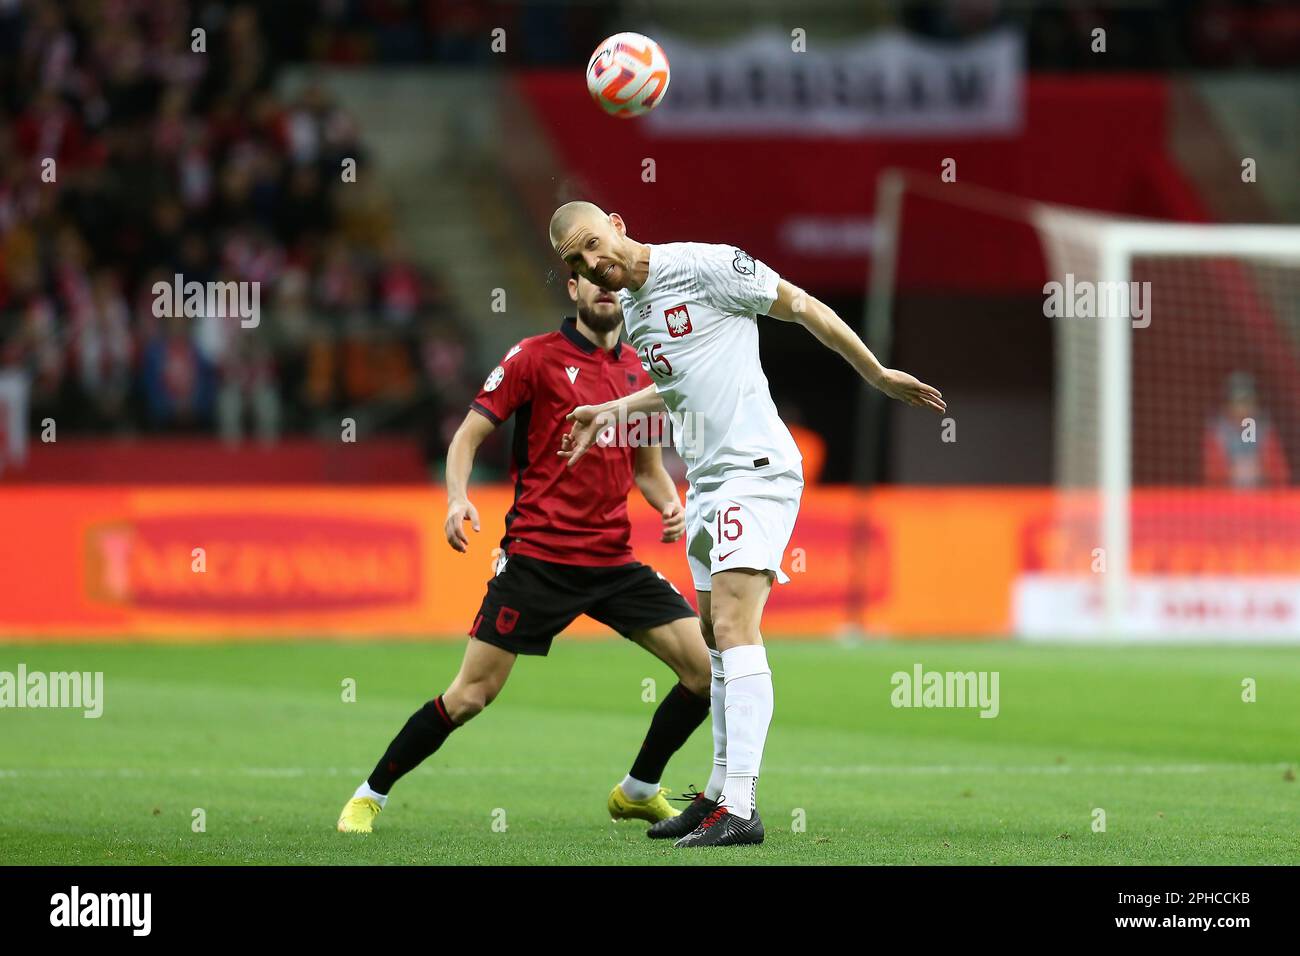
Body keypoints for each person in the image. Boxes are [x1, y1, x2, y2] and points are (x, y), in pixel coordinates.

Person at [551, 201, 945, 846]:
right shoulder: (638, 310)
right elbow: (680, 385)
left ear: (619, 224)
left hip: (755, 471)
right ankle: (714, 796)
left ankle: (742, 805)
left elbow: (803, 305)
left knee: (735, 625)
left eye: (594, 243)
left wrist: (874, 372)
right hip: (707, 482)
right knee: (712, 635)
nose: (592, 264)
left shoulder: (705, 265)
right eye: (575, 261)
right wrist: (611, 409)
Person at [337, 271, 714, 835]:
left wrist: (669, 506)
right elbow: (466, 436)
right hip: (538, 559)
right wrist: (456, 498)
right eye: (593, 279)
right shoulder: (533, 359)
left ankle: (637, 790)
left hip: (611, 561)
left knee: (706, 673)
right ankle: (370, 795)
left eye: (614, 280)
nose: (605, 288)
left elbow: (648, 469)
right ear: (572, 289)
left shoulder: (641, 370)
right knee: (469, 696)